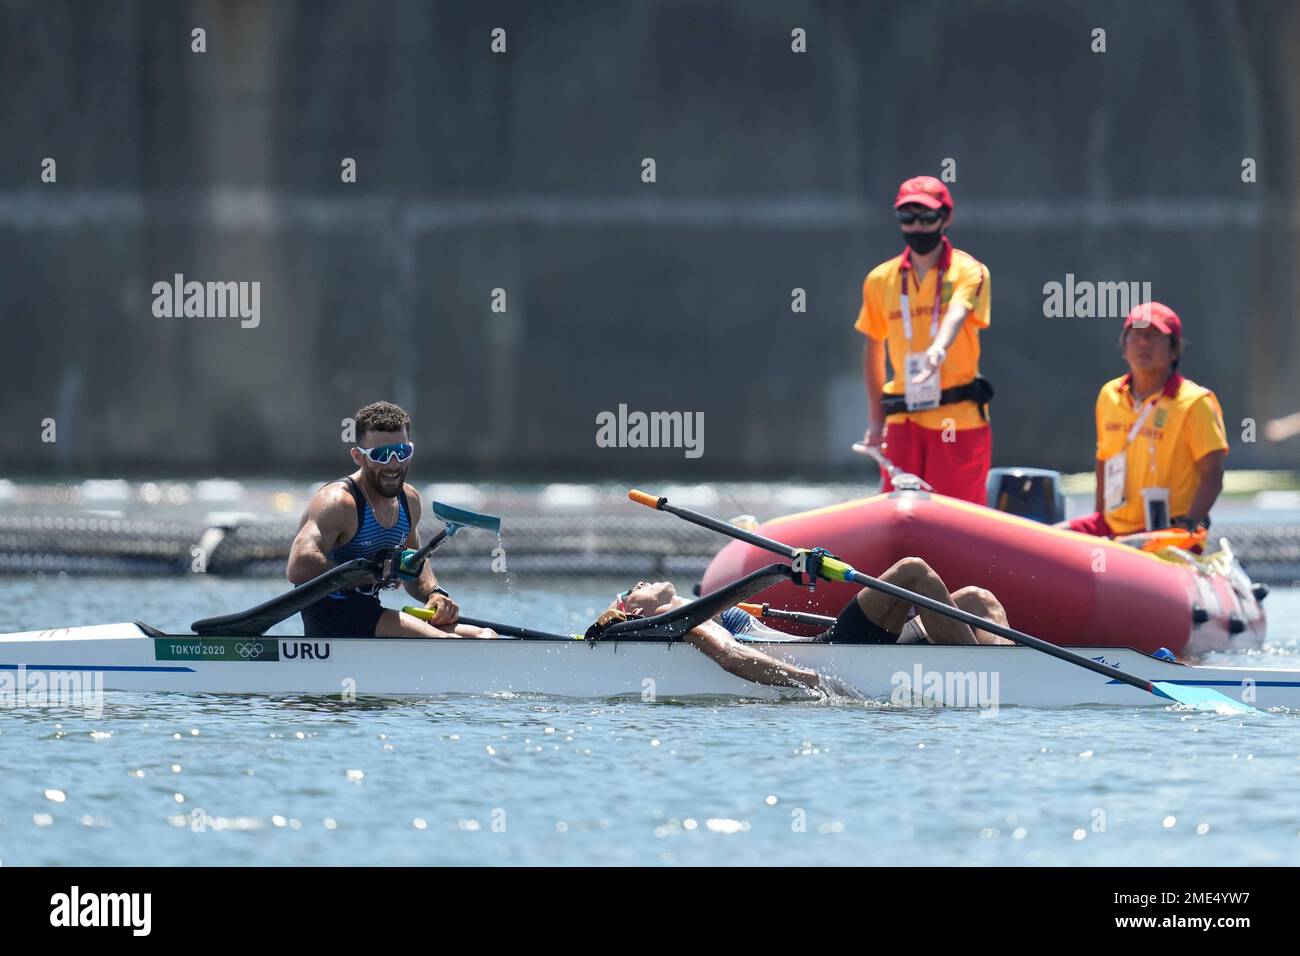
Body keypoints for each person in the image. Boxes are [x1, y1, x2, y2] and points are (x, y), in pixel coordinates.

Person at [588, 558, 1012, 695]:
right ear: (634, 615)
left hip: (840, 641)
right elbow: (733, 657)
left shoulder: (704, 603)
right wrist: (813, 681)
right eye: (631, 591)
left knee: (978, 598)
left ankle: (1009, 674)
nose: (640, 583)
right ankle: (997, 678)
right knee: (912, 571)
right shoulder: (682, 621)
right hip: (833, 648)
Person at [287, 401, 496, 639]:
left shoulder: (409, 500)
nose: (394, 464)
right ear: (358, 456)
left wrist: (434, 594)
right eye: (382, 455)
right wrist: (373, 572)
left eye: (402, 452)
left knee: (484, 636)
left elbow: (414, 565)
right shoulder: (338, 503)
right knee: (446, 641)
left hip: (371, 613)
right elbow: (298, 567)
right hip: (332, 619)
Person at [855, 175, 993, 503]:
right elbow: (873, 346)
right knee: (900, 514)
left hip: (956, 419)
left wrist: (937, 350)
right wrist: (876, 422)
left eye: (927, 217)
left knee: (958, 521)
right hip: (902, 420)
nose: (917, 227)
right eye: (907, 217)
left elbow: (959, 312)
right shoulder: (880, 279)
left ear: (947, 218)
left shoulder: (969, 271)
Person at [1065, 302, 1228, 538]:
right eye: (1136, 335)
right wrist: (1100, 519)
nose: (1143, 343)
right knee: (1042, 543)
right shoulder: (1110, 395)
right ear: (1124, 345)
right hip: (1114, 525)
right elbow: (1104, 459)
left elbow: (1213, 473)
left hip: (1167, 532)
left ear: (1174, 350)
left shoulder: (1194, 402)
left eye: (1153, 336)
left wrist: (1187, 528)